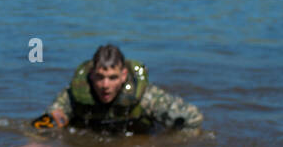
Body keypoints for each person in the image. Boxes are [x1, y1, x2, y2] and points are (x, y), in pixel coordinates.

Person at [36, 44, 203, 133]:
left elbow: (193, 118)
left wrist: (171, 144)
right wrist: (37, 140)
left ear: (124, 75)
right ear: (91, 74)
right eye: (100, 77)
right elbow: (51, 119)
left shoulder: (146, 97)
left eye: (112, 78)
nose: (105, 86)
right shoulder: (74, 95)